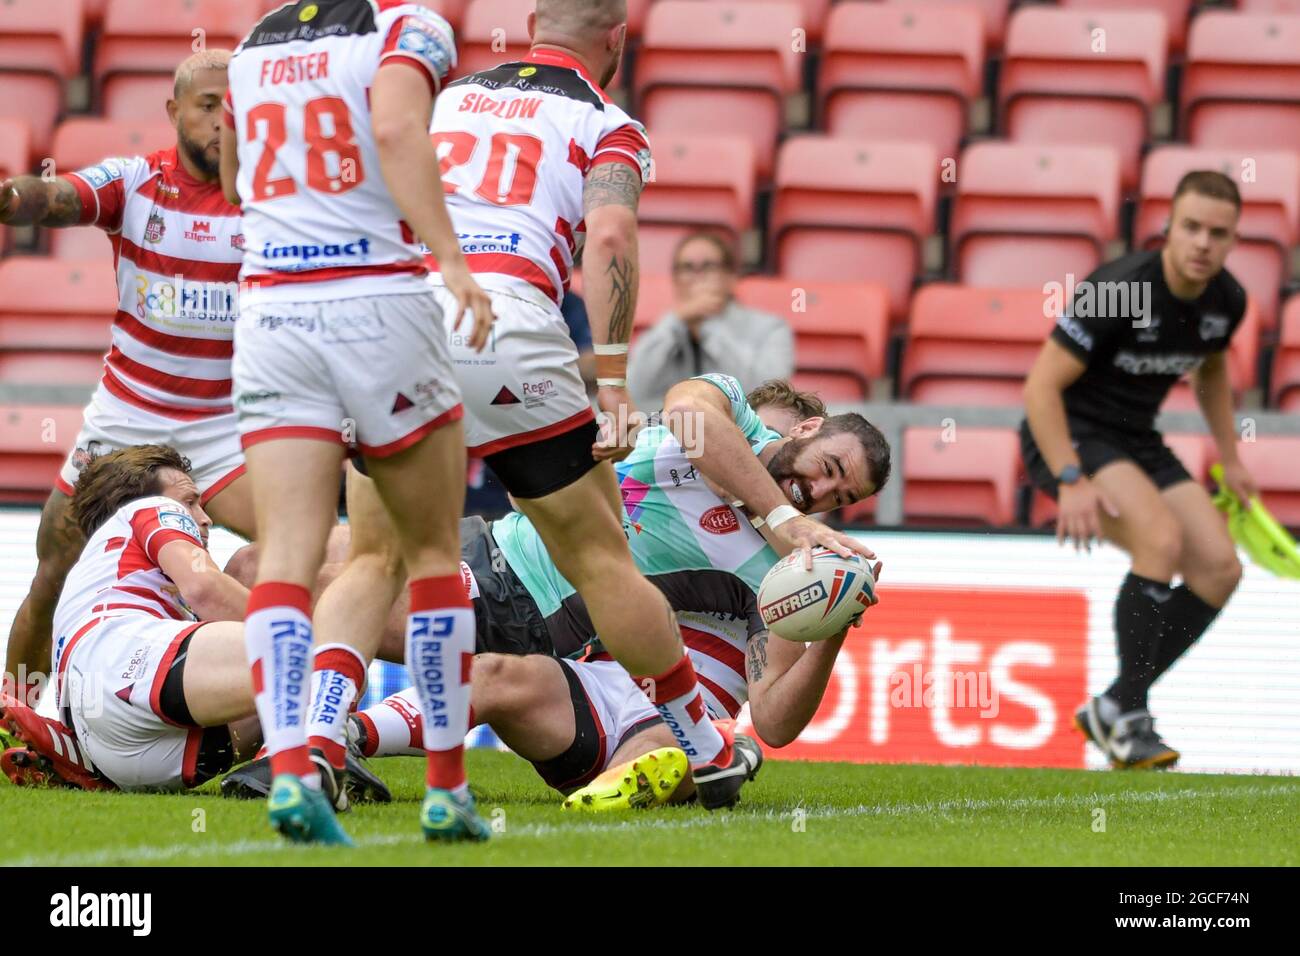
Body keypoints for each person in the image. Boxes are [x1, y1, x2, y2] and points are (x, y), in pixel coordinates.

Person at [328, 0, 872, 810]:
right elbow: (611, 241)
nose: (826, 496)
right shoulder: (606, 123)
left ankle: (306, 740)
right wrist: (612, 381)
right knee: (598, 557)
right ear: (617, 39)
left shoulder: (445, 97)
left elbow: (370, 189)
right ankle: (701, 743)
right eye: (830, 472)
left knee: (367, 558)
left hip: (398, 315)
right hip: (509, 318)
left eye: (843, 496)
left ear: (535, 19)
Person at [221, 0, 495, 844]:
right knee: (432, 554)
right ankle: (447, 793)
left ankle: (295, 769)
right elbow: (399, 129)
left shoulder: (252, 42)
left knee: (290, 560)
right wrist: (451, 259)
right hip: (376, 297)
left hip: (270, 309)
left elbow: (236, 175)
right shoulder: (408, 25)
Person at [0, 50, 253, 706]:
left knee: (296, 550)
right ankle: (15, 722)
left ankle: (297, 722)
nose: (222, 120)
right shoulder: (136, 182)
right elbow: (57, 198)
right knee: (52, 570)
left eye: (233, 105)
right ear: (172, 112)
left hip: (226, 428)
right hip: (125, 419)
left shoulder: (271, 201)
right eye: (206, 105)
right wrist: (9, 196)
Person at [1021, 170, 1257, 770]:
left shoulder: (1228, 299)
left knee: (1220, 569)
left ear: (1233, 241)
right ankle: (1127, 715)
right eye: (1192, 227)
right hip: (1069, 433)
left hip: (1136, 440)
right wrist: (1069, 478)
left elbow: (1211, 372)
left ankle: (1121, 703)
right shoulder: (1118, 289)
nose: (1204, 242)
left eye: (1219, 233)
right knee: (1160, 541)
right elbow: (1040, 388)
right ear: (1169, 228)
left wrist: (1230, 458)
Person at [627, 232, 794, 411]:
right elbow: (634, 389)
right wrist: (675, 320)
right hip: (670, 430)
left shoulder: (771, 328)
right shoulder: (666, 329)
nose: (697, 277)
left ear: (731, 278)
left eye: (708, 266)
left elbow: (768, 397)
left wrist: (708, 326)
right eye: (687, 267)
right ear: (675, 280)